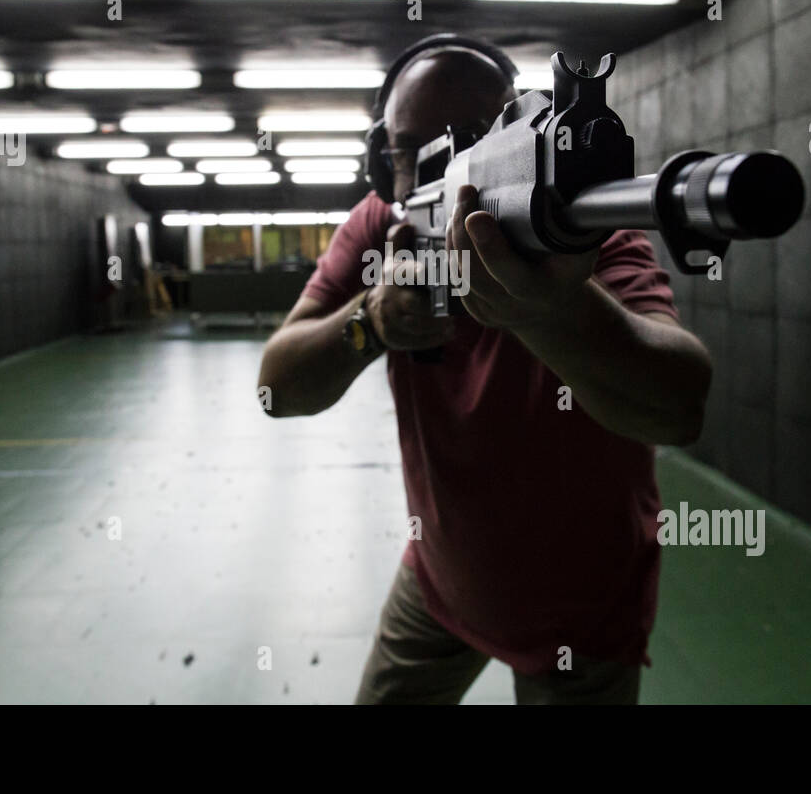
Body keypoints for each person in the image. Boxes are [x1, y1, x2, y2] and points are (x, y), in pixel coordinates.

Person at [257, 35, 713, 704]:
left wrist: (552, 311)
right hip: (439, 578)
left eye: (470, 139)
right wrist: (372, 322)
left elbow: (678, 407)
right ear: (386, 167)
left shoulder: (578, 231)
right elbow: (276, 389)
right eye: (412, 151)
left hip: (580, 606)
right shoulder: (384, 223)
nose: (445, 167)